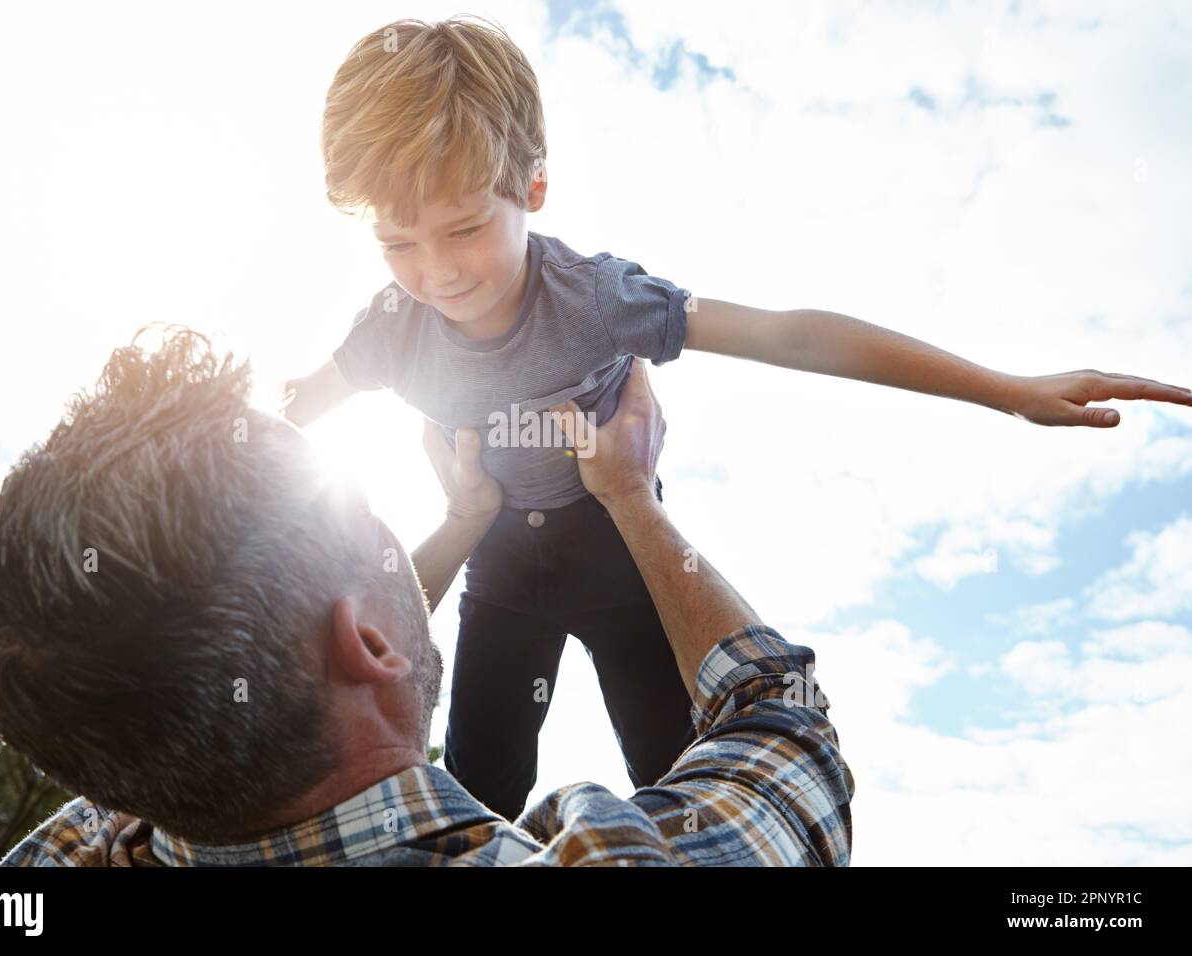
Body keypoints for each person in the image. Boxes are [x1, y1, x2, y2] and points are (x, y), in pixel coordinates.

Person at [282, 16, 1192, 821]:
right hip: (503, 575)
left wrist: (1008, 387)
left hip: (624, 557)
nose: (437, 271)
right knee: (479, 788)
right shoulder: (392, 331)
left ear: (533, 186)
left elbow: (788, 335)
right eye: (398, 242)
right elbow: (280, 420)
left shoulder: (595, 299)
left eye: (465, 227)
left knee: (678, 776)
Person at [0, 327, 852, 865]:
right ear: (370, 644)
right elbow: (785, 729)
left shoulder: (77, 839)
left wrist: (463, 519)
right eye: (369, 519)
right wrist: (631, 498)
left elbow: (248, 666)